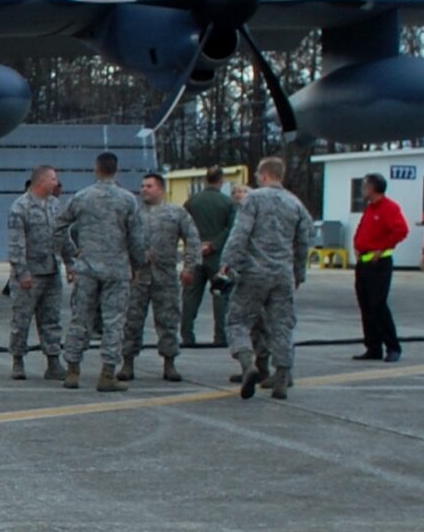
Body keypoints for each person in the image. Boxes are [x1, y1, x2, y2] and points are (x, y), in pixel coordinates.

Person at [223, 156, 316, 400]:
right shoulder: (294, 202)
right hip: (282, 274)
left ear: (264, 176)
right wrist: (299, 271)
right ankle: (282, 376)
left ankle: (247, 365)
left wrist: (227, 266)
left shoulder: (253, 199)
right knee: (282, 324)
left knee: (238, 321)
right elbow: (305, 238)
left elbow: (239, 234)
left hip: (254, 272)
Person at [55, 151, 146, 391]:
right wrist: (136, 265)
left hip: (87, 268)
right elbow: (136, 238)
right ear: (116, 170)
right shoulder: (127, 200)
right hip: (117, 269)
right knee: (114, 321)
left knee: (80, 318)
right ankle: (107, 373)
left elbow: (58, 226)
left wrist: (71, 254)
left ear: (96, 169)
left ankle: (73, 370)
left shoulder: (82, 197)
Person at [120, 172, 201, 382]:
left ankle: (169, 363)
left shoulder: (176, 213)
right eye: (142, 186)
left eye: (149, 186)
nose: (144, 190)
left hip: (165, 276)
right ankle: (127, 362)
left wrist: (190, 266)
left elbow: (192, 239)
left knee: (168, 320)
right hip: (137, 277)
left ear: (161, 189)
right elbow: (120, 240)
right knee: (131, 321)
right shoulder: (133, 214)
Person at [6, 165, 67, 380]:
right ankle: (18, 360)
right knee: (21, 319)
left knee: (51, 318)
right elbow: (16, 244)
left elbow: (63, 237)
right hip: (30, 275)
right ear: (41, 181)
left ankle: (53, 361)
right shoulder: (20, 207)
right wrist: (22, 272)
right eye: (53, 178)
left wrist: (69, 264)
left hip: (51, 271)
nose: (56, 183)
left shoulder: (55, 205)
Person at [351, 172, 406, 362]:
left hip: (378, 264)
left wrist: (382, 248)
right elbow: (363, 230)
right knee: (365, 305)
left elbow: (401, 230)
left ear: (372, 188)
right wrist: (356, 246)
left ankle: (393, 347)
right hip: (364, 263)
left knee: (378, 305)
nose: (363, 190)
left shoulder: (389, 208)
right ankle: (373, 347)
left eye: (365, 186)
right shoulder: (370, 209)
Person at [181, 166, 237, 348]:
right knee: (220, 296)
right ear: (221, 181)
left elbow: (182, 226)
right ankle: (220, 336)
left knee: (190, 297)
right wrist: (213, 245)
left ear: (205, 180)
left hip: (195, 256)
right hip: (218, 257)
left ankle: (187, 336)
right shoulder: (228, 203)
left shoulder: (191, 202)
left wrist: (196, 245)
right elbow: (231, 230)